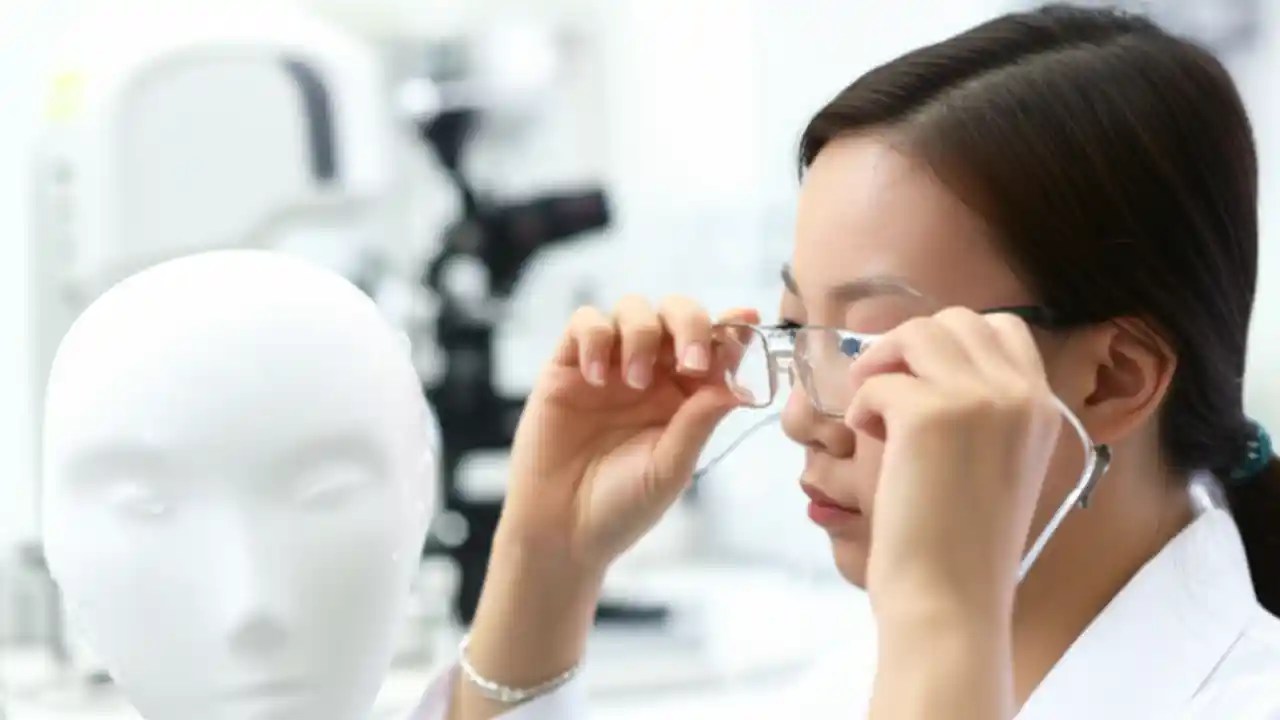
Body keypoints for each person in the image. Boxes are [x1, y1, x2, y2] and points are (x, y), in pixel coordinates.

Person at [415, 5, 1280, 718]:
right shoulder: (840, 682)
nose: (801, 417)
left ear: (1113, 379)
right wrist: (546, 563)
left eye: (866, 345)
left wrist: (941, 626)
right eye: (797, 331)